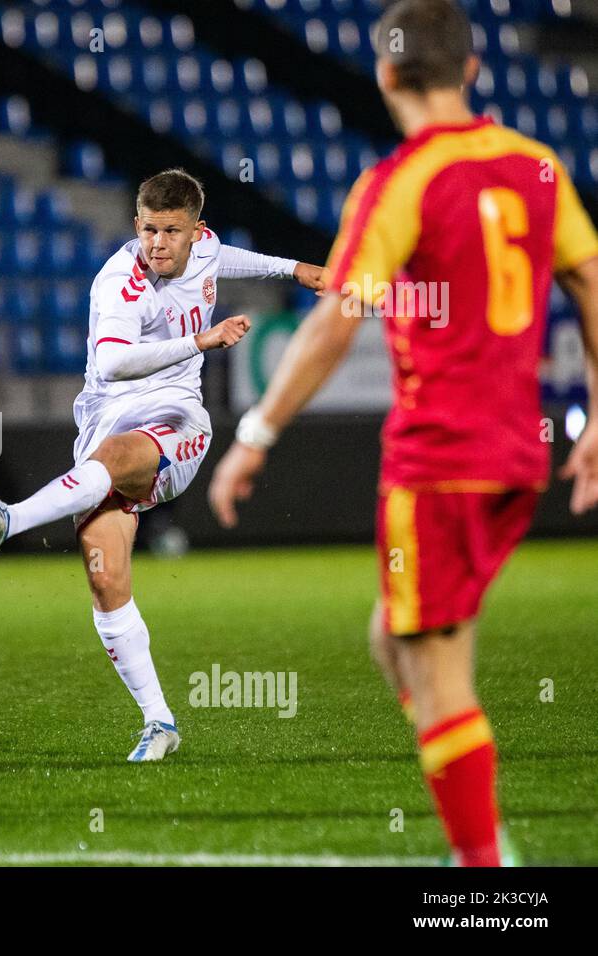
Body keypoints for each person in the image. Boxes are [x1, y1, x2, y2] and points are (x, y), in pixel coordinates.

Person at [207, 0, 598, 866]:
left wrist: (257, 433)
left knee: (437, 672)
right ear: (471, 71)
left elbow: (335, 323)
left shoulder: (400, 183)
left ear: (385, 76)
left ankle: (485, 879)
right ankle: (478, 826)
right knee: (394, 639)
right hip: (516, 460)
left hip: (440, 462)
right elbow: (592, 279)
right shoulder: (536, 166)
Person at [0, 168, 324, 760]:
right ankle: (160, 723)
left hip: (177, 424)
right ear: (137, 226)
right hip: (110, 421)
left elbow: (231, 259)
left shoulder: (205, 249)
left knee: (116, 458)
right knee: (105, 576)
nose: (158, 243)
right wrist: (201, 342)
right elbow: (112, 365)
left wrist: (297, 271)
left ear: (194, 232)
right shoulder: (117, 282)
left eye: (171, 232)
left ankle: (11, 519)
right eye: (150, 230)